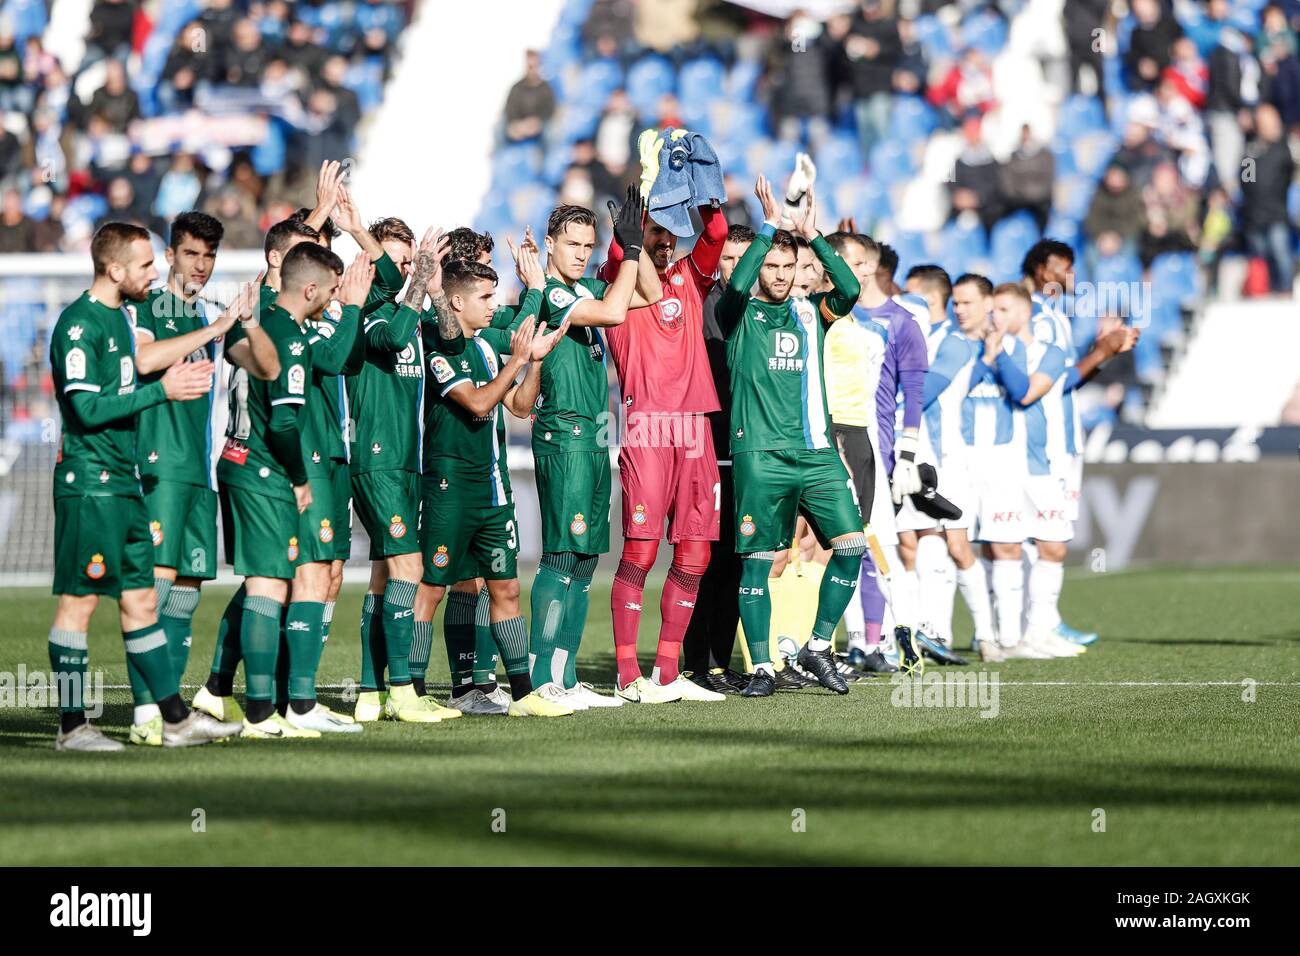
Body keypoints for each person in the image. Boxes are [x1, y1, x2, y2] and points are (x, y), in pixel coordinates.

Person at [47, 221, 242, 750]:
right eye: (145, 265)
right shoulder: (79, 324)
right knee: (78, 606)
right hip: (89, 484)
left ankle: (172, 720)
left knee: (140, 604)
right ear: (115, 270)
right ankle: (72, 727)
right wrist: (162, 394)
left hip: (127, 482)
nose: (156, 274)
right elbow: (85, 409)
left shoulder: (119, 323)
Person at [715, 175, 866, 698]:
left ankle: (819, 645)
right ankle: (760, 666)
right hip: (760, 455)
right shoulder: (739, 315)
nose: (779, 276)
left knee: (851, 546)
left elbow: (850, 290)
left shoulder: (811, 313)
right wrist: (771, 228)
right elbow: (736, 284)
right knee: (758, 564)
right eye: (772, 267)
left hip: (818, 455)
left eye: (789, 267)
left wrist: (815, 235)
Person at [129, 212, 276, 745]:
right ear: (170, 255)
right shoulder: (148, 306)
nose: (201, 265)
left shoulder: (212, 314)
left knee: (188, 588)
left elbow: (265, 368)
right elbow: (144, 358)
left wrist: (251, 322)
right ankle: (147, 714)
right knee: (156, 585)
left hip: (200, 470)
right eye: (191, 253)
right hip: (159, 465)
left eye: (209, 255)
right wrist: (215, 329)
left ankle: (171, 715)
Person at [418, 257, 575, 717]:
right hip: (450, 490)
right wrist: (519, 360)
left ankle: (525, 696)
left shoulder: (488, 350)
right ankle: (411, 690)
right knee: (432, 589)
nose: (493, 306)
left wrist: (535, 364)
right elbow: (480, 404)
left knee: (505, 589)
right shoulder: (441, 351)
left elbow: (520, 406)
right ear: (457, 301)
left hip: (493, 493)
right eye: (485, 298)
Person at [526, 188, 657, 710]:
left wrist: (634, 247)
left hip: (594, 439)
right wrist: (624, 254)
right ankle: (542, 679)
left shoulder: (584, 294)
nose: (581, 253)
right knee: (560, 557)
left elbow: (646, 296)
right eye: (572, 243)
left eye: (589, 244)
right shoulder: (555, 296)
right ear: (550, 246)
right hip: (564, 439)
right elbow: (615, 313)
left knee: (583, 563)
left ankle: (567, 674)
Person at [598, 197, 731, 704]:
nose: (666, 240)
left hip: (695, 427)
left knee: (695, 553)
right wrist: (629, 234)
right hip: (649, 427)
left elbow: (715, 235)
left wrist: (704, 194)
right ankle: (628, 675)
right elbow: (616, 255)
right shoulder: (620, 280)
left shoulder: (690, 279)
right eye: (655, 232)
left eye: (671, 232)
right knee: (640, 552)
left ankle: (669, 673)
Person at [682, 224, 755, 694]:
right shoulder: (710, 305)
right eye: (729, 259)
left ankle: (719, 661)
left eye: (745, 260)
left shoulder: (765, 310)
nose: (737, 270)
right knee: (702, 556)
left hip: (749, 447)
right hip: (709, 442)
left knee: (735, 558)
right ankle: (696, 662)